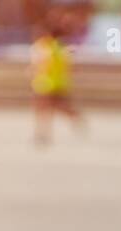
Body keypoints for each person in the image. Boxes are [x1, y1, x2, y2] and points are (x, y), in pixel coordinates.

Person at [30, 18, 84, 146]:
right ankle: (44, 133)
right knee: (50, 109)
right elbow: (70, 67)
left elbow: (43, 64)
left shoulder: (46, 47)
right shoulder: (61, 48)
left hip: (46, 83)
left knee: (44, 109)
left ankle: (43, 133)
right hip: (56, 83)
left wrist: (33, 71)